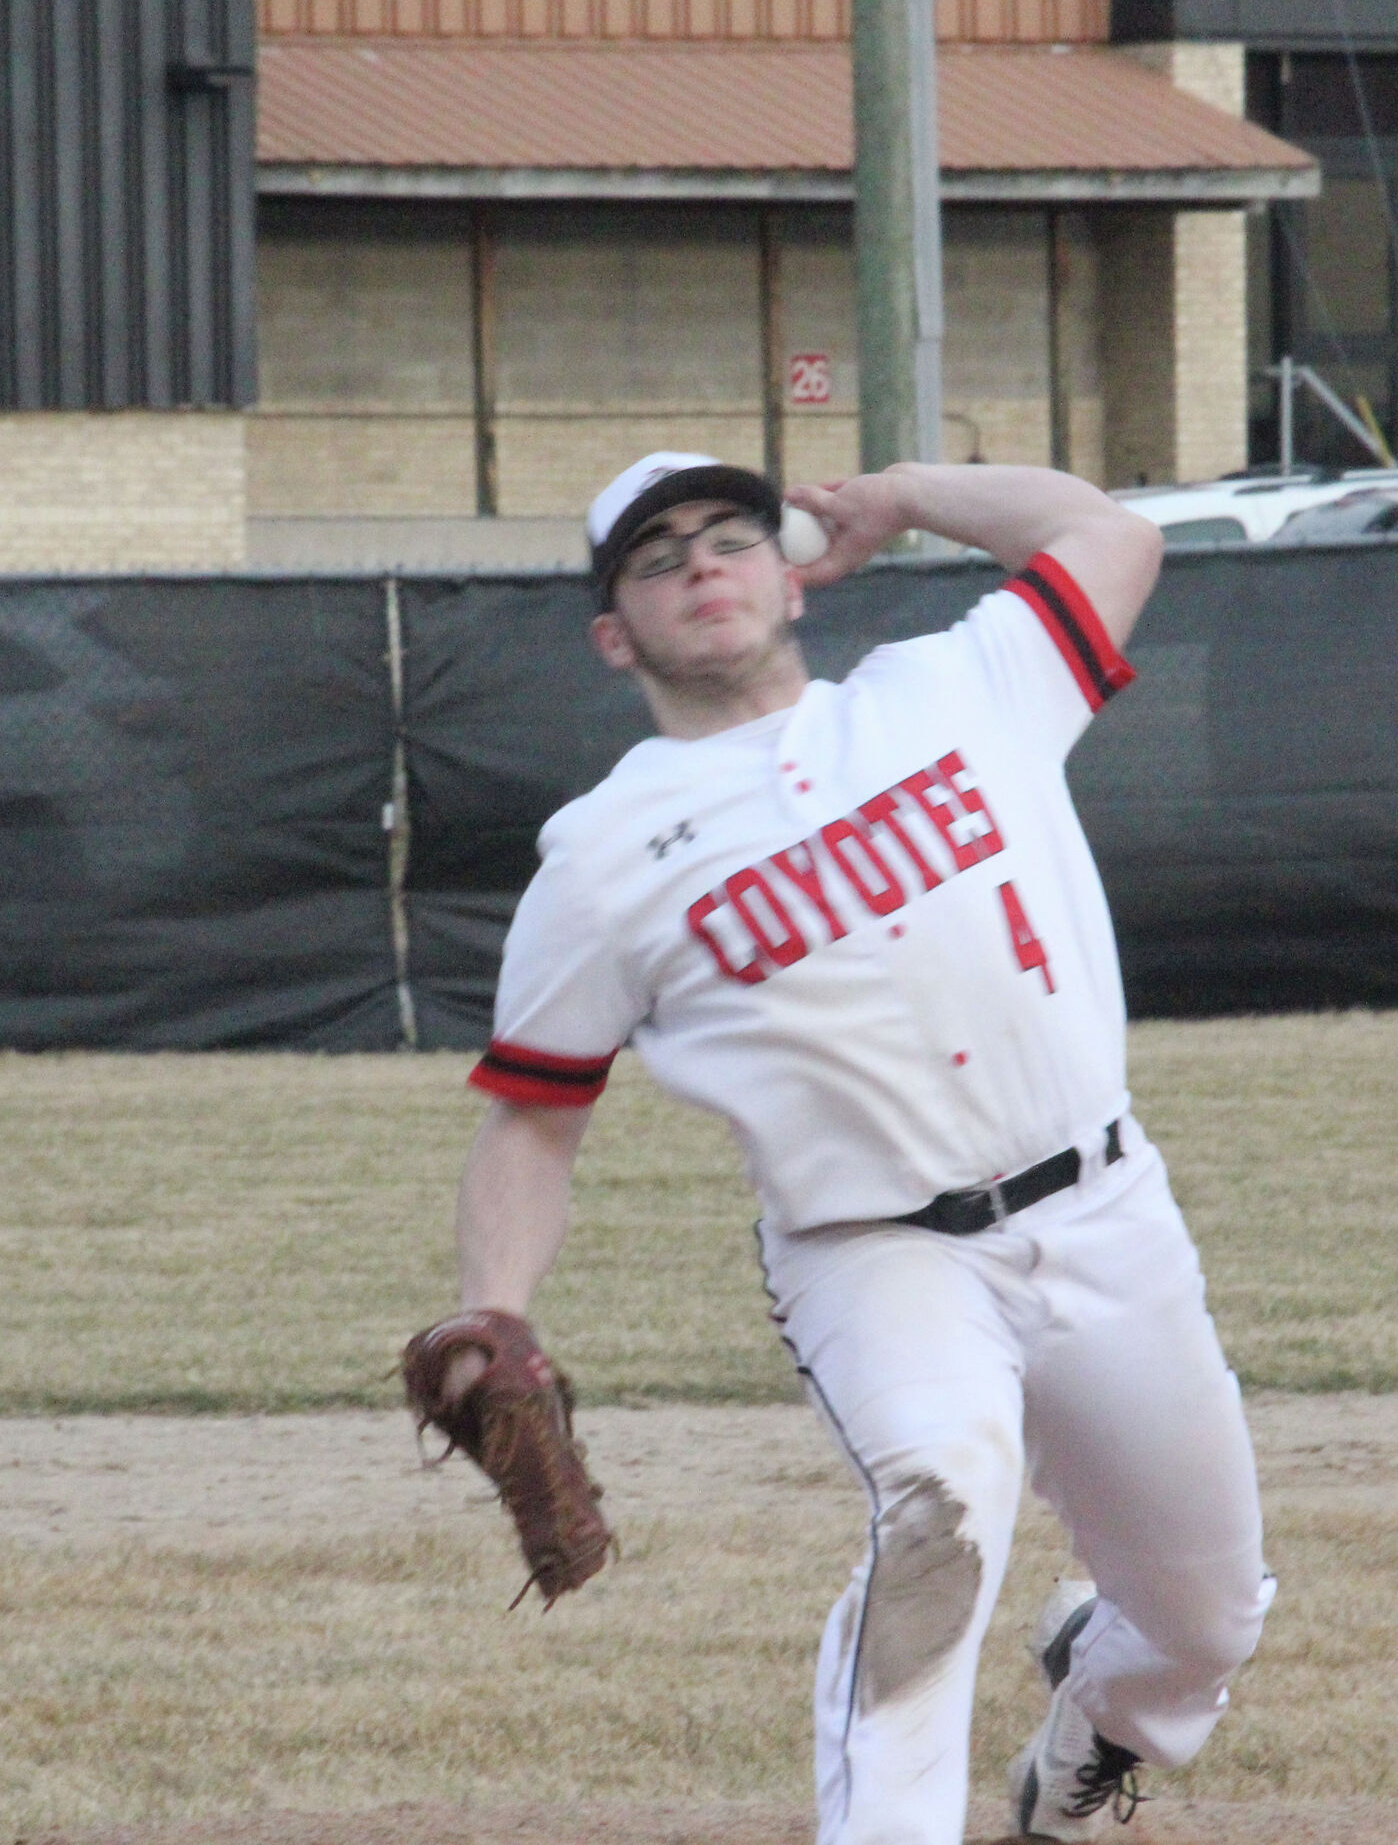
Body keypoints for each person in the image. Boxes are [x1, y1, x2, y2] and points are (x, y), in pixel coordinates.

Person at [440, 451, 1273, 1845]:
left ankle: (1096, 1725)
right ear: (612, 633)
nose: (702, 566)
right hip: (878, 1256)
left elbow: (1108, 532)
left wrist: (906, 492)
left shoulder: (958, 684)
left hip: (1105, 1203)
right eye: (657, 558)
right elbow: (534, 1114)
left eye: (729, 536)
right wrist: (495, 1312)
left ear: (791, 575)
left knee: (1204, 1618)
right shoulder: (599, 858)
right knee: (937, 1517)